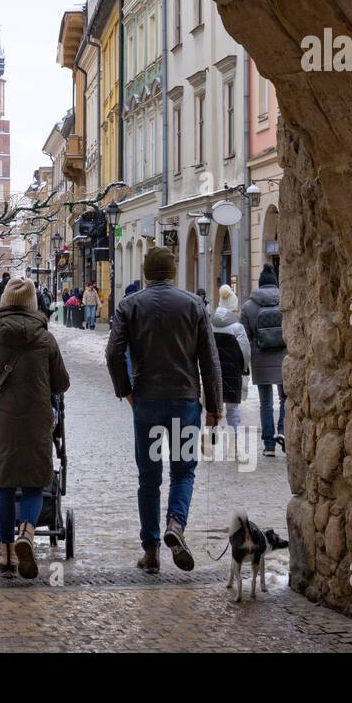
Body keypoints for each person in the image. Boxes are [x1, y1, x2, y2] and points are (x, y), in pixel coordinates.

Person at [106, 246, 221, 573]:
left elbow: (114, 354)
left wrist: (126, 391)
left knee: (149, 478)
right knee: (183, 471)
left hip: (147, 401)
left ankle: (152, 550)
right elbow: (209, 361)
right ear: (172, 272)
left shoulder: (130, 305)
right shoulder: (194, 305)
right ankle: (176, 525)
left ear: (145, 273)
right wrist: (214, 407)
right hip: (185, 400)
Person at [0, 277, 70, 579]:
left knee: (3, 484)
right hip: (37, 421)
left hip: (0, 420)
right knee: (35, 482)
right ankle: (27, 531)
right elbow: (62, 383)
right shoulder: (45, 338)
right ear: (32, 303)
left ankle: (6, 554)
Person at [241, 265, 287, 457]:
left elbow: (243, 335)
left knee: (265, 402)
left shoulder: (248, 306)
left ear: (260, 284)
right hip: (284, 357)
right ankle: (283, 430)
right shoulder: (285, 301)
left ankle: (268, 445)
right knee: (286, 398)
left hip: (260, 359)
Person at [212, 284, 250, 430]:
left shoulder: (211, 324)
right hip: (233, 373)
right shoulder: (237, 327)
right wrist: (245, 368)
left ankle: (211, 440)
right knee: (233, 410)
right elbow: (245, 351)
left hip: (214, 373)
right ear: (234, 306)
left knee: (213, 409)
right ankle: (234, 444)